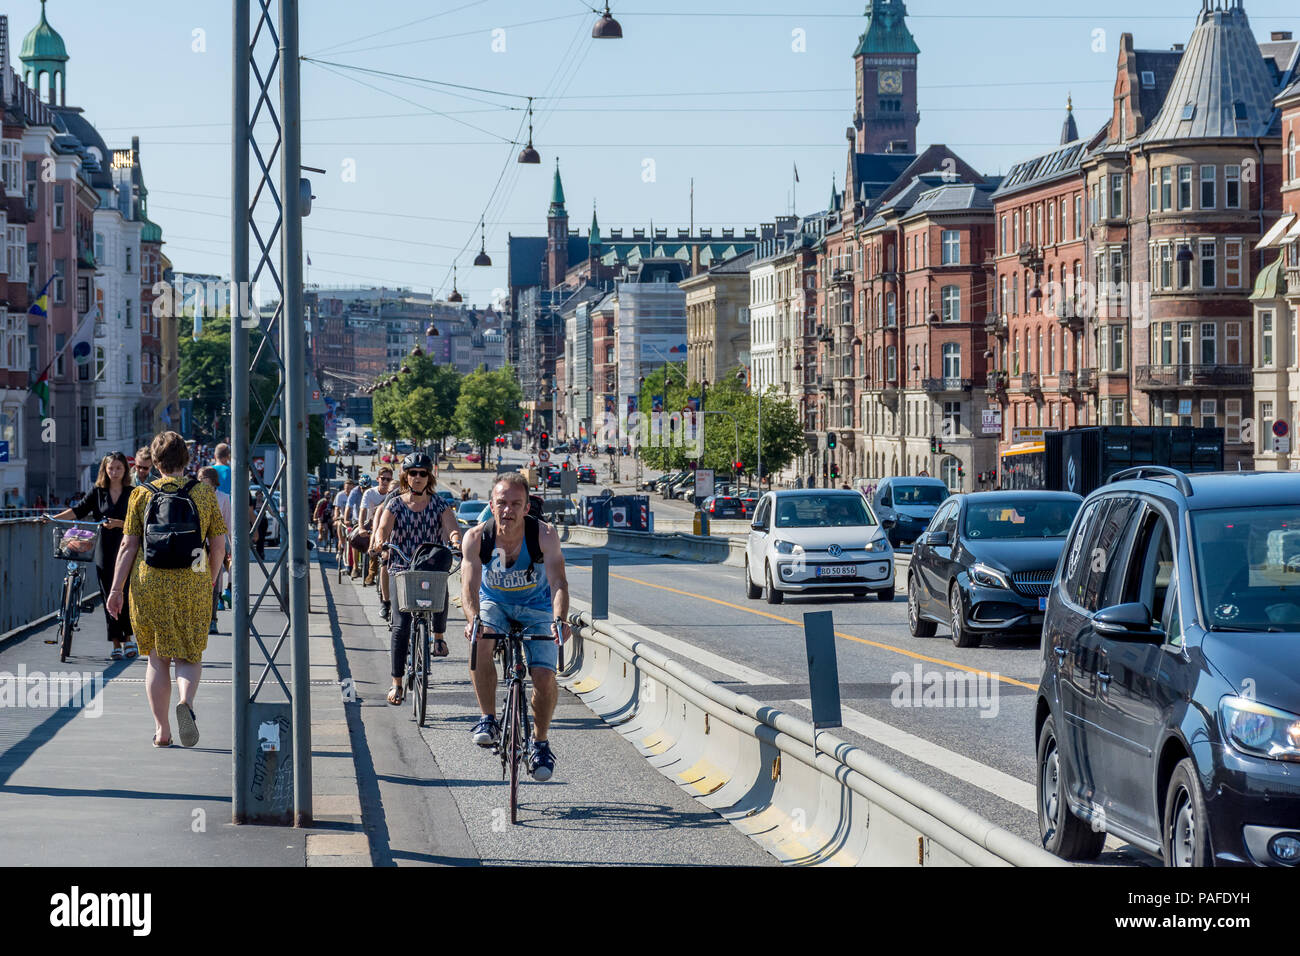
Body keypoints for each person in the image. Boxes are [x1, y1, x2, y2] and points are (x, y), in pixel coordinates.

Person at [106, 431, 227, 748]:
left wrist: (116, 589)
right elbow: (217, 545)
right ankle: (185, 702)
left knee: (157, 659)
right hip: (193, 578)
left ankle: (162, 730)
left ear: (155, 462)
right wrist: (210, 579)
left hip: (150, 581)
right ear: (185, 460)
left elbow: (128, 546)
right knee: (189, 654)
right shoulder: (203, 493)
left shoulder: (140, 495)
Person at [460, 472, 570, 782]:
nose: (508, 510)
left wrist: (559, 621)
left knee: (545, 676)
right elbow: (468, 587)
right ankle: (488, 719)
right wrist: (474, 621)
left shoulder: (544, 535)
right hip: (494, 603)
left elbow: (558, 581)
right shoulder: (477, 537)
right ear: (491, 505)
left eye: (515, 504)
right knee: (480, 641)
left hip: (537, 607)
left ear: (526, 507)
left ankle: (540, 743)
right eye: (502, 503)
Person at [369, 453, 460, 705]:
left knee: (442, 581)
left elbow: (451, 527)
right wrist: (378, 542)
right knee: (401, 626)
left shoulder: (439, 504)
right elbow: (384, 528)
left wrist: (455, 540)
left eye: (422, 473)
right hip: (401, 567)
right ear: (405, 476)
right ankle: (397, 683)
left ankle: (438, 638)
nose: (417, 477)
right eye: (413, 473)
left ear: (429, 477)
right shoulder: (396, 504)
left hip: (429, 565)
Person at [43, 452, 137, 660]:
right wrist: (52, 518)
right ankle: (115, 643)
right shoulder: (98, 492)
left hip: (127, 546)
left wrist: (119, 524)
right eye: (110, 468)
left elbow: (139, 521)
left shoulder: (132, 493)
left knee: (126, 593)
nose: (114, 472)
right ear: (104, 469)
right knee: (107, 595)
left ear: (125, 470)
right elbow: (78, 511)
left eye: (118, 468)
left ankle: (128, 638)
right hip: (104, 547)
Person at [198, 467, 232, 634]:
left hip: (216, 547)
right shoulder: (194, 496)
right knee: (197, 583)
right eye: (199, 477)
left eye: (203, 478)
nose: (200, 480)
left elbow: (228, 526)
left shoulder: (223, 498)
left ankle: (213, 619)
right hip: (197, 549)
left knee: (213, 584)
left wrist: (232, 547)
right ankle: (199, 619)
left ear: (212, 480)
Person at [345, 478, 365, 578]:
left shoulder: (370, 492)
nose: (364, 490)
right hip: (356, 521)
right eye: (362, 487)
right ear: (359, 486)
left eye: (366, 487)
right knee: (354, 539)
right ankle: (355, 567)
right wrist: (346, 519)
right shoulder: (354, 492)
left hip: (368, 520)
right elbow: (348, 506)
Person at [334, 478, 353, 557]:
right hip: (342, 517)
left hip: (353, 518)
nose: (347, 490)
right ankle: (341, 545)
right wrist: (336, 516)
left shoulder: (355, 495)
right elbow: (337, 508)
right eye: (346, 488)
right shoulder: (340, 495)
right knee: (338, 524)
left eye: (350, 489)